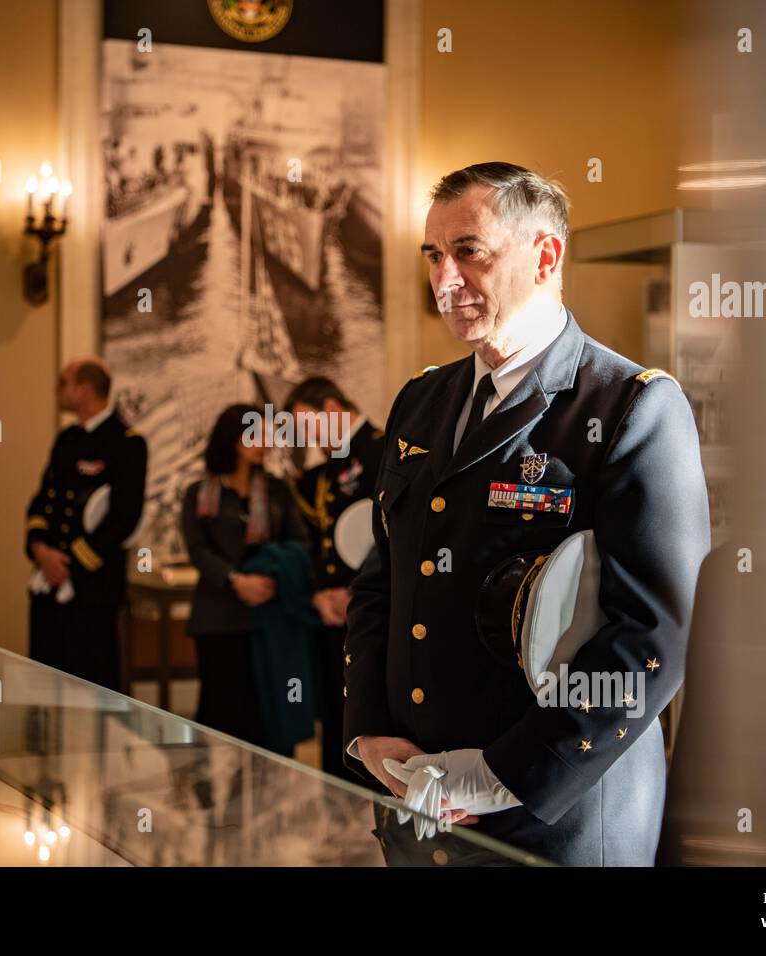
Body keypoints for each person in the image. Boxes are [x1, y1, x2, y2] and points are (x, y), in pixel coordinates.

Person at [344, 162, 710, 866]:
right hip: (417, 811)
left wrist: (504, 773)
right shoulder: (421, 401)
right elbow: (381, 580)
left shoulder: (631, 407)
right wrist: (368, 734)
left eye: (469, 252)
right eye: (433, 256)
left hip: (555, 824)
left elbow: (654, 638)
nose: (444, 280)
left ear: (546, 257)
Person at [181, 405, 310, 750]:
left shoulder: (278, 490)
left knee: (268, 718)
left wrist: (269, 574)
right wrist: (235, 580)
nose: (264, 442)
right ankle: (213, 796)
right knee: (219, 717)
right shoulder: (199, 493)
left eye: (268, 434)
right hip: (217, 619)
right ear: (232, 439)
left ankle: (269, 798)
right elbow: (197, 550)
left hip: (269, 617)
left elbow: (298, 542)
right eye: (255, 433)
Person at [26, 358, 147, 688]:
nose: (57, 391)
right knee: (44, 686)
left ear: (84, 389)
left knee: (92, 689)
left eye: (63, 384)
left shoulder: (126, 443)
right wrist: (40, 550)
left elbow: (124, 518)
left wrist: (70, 563)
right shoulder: (67, 439)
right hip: (49, 582)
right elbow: (43, 502)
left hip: (93, 587)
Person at [286, 377, 384, 782]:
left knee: (368, 719)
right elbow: (318, 543)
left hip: (372, 612)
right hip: (330, 615)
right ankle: (335, 807)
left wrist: (354, 592)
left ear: (331, 408)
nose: (307, 438)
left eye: (307, 425)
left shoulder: (384, 448)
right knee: (333, 715)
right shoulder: (324, 473)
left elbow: (392, 534)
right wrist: (319, 595)